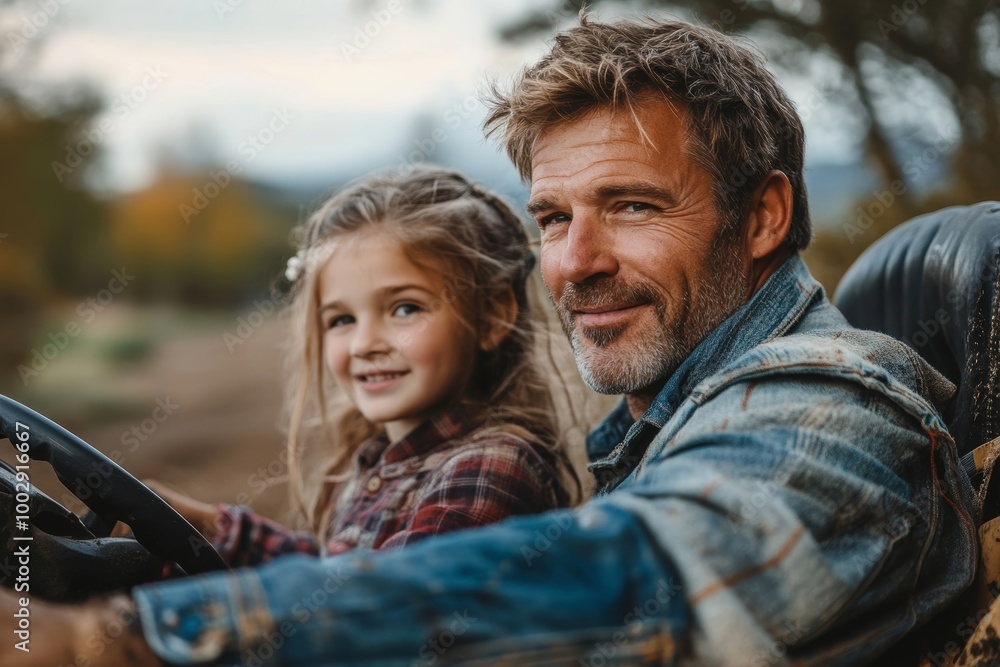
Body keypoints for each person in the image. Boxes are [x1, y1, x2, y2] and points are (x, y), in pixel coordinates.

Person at [0, 15, 977, 667]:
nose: (575, 263)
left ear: (763, 216)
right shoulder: (683, 419)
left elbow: (635, 577)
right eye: (552, 219)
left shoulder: (822, 409)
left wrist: (109, 643)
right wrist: (191, 522)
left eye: (629, 206)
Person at [126, 166, 577, 568]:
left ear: (492, 315)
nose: (365, 344)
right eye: (342, 320)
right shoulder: (385, 458)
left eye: (404, 309)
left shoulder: (488, 469)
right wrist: (212, 529)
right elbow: (334, 576)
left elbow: (374, 614)